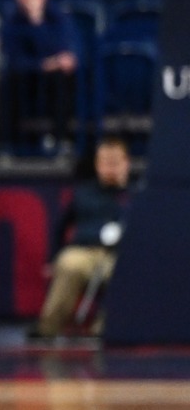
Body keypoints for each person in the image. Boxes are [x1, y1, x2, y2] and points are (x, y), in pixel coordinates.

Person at [33, 138, 130, 339]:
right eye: (105, 162)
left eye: (115, 162)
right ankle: (48, 328)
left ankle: (105, 329)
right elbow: (60, 227)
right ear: (97, 164)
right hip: (83, 251)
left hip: (119, 255)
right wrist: (52, 258)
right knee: (69, 264)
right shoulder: (83, 193)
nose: (110, 168)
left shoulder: (135, 196)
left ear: (126, 163)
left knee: (123, 272)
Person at [0, 0, 78, 155]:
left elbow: (65, 52)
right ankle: (9, 145)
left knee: (62, 77)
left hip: (51, 79)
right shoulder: (11, 20)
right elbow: (13, 58)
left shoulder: (58, 17)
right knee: (8, 79)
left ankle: (59, 140)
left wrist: (37, 20)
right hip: (25, 77)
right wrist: (42, 65)